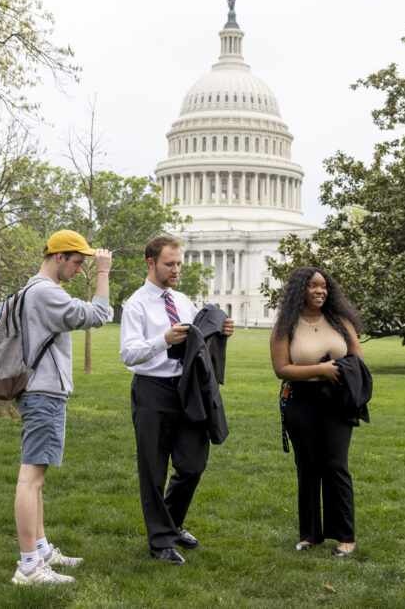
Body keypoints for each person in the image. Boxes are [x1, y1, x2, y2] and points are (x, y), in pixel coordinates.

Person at [119, 236, 234, 565]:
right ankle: (160, 542)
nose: (176, 269)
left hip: (188, 390)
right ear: (151, 263)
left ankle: (170, 522)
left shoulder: (183, 301)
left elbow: (199, 340)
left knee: (192, 464)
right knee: (153, 470)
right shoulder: (136, 304)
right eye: (170, 264)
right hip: (152, 390)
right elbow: (128, 354)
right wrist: (163, 340)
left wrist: (221, 331)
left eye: (179, 263)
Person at [10, 230, 113, 586]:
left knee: (36, 480)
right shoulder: (45, 293)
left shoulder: (31, 290)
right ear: (58, 257)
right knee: (30, 479)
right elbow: (98, 315)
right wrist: (104, 273)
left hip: (39, 391)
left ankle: (40, 551)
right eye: (77, 262)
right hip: (43, 393)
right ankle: (28, 567)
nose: (79, 270)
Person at [269, 267, 364, 556]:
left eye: (324, 286)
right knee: (307, 467)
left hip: (337, 401)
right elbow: (281, 369)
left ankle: (345, 537)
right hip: (302, 401)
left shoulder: (340, 321)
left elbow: (357, 358)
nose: (320, 291)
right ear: (301, 290)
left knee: (336, 465)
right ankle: (309, 534)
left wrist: (337, 370)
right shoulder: (286, 326)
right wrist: (319, 369)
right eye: (313, 285)